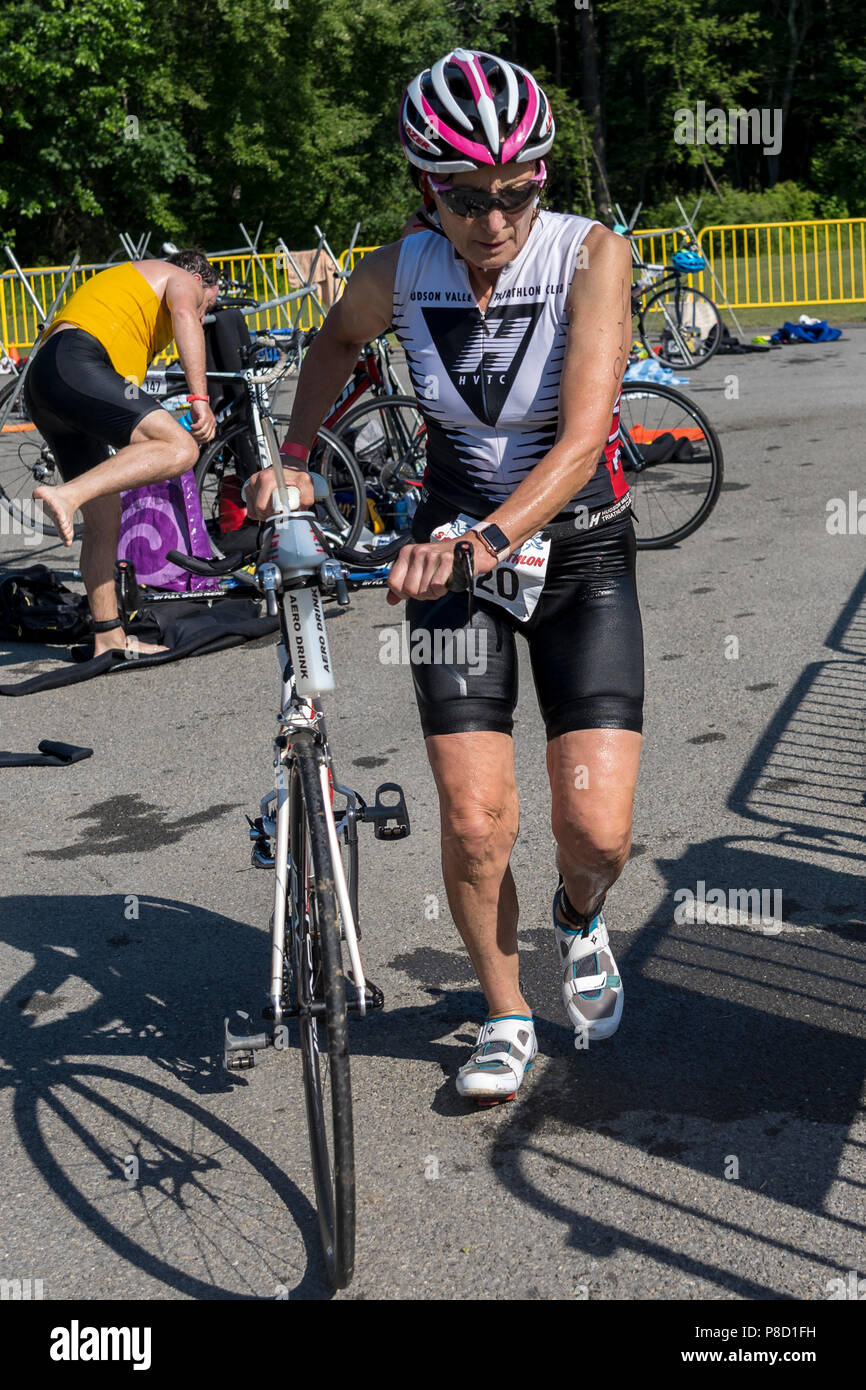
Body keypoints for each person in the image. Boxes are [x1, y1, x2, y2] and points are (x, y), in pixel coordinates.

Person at [246, 47, 643, 1103]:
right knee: (474, 820)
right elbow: (332, 343)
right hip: (451, 550)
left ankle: (577, 915)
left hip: (577, 547)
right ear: (428, 190)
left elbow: (580, 437)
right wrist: (291, 463)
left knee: (594, 829)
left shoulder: (591, 255)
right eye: (467, 199)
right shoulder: (395, 271)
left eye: (517, 192)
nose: (496, 219)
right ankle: (505, 1012)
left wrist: (482, 540)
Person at [24, 250, 220, 655]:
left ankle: (108, 636)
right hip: (76, 361)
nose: (202, 318)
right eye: (208, 308)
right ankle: (66, 495)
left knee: (105, 517)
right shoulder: (179, 278)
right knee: (180, 447)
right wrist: (200, 397)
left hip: (47, 381)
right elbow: (185, 317)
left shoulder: (134, 302)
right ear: (200, 282)